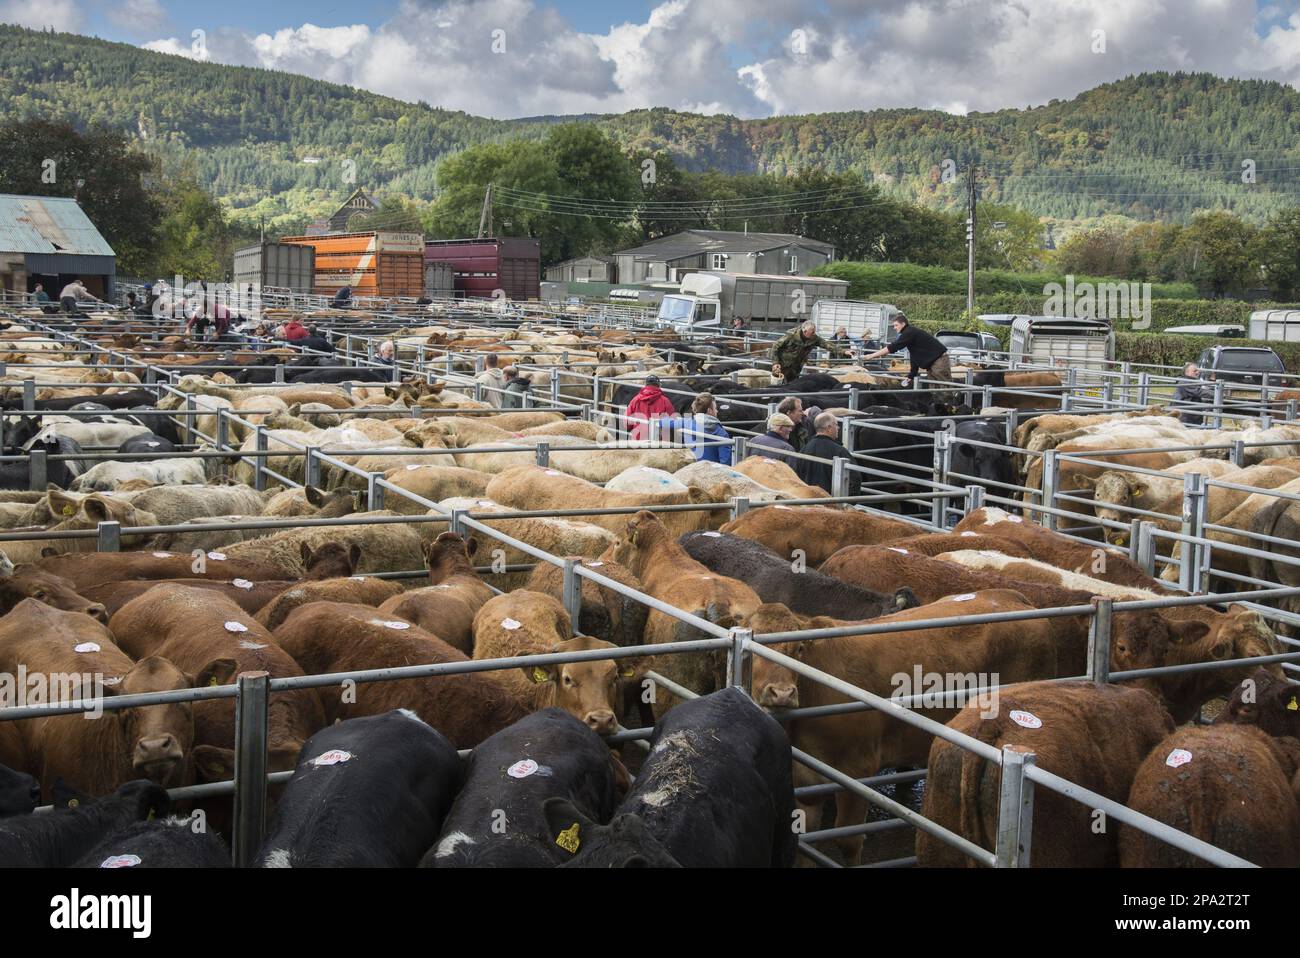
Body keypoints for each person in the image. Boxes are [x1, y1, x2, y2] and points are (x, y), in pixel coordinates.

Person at [862, 314, 951, 385]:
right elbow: (914, 354)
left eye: (896, 325)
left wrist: (871, 356)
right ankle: (940, 406)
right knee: (934, 387)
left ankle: (951, 406)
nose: (894, 328)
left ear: (903, 324)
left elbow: (892, 347)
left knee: (944, 386)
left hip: (939, 361)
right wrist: (912, 375)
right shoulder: (910, 333)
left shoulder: (909, 332)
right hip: (933, 363)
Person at [796, 412, 862, 497]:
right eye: (836, 425)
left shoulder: (803, 450)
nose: (838, 428)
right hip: (830, 504)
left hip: (808, 501)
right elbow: (855, 478)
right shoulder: (839, 451)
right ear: (829, 428)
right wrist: (846, 501)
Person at [665, 393, 732, 464]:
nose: (717, 411)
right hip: (711, 471)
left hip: (691, 468)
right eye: (715, 408)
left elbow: (662, 422)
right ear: (709, 411)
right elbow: (726, 461)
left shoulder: (687, 422)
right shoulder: (721, 433)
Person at [624, 374, 677, 441]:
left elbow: (627, 422)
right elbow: (672, 420)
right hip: (659, 439)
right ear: (659, 385)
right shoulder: (665, 401)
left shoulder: (635, 400)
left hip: (638, 438)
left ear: (646, 385)